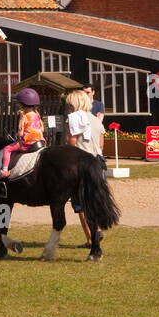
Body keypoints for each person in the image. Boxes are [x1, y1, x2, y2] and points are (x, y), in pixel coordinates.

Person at [65, 88, 102, 247]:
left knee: (79, 204)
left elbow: (71, 142)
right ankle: (98, 228)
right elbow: (101, 144)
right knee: (94, 200)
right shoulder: (95, 119)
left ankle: (90, 237)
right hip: (97, 162)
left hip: (80, 164)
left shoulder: (73, 118)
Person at [0, 88, 44, 179]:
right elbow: (42, 129)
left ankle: (4, 170)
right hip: (40, 141)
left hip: (28, 143)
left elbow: (20, 133)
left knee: (7, 149)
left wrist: (18, 135)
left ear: (23, 105)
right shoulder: (37, 116)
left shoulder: (24, 117)